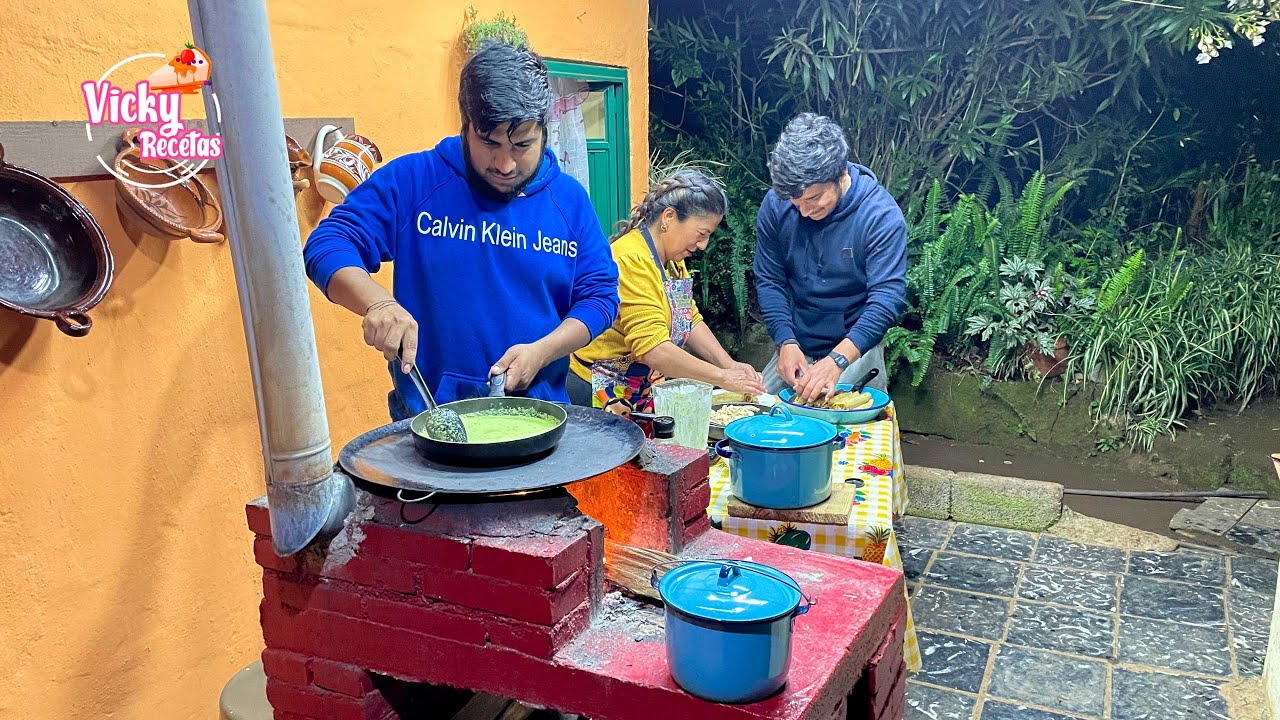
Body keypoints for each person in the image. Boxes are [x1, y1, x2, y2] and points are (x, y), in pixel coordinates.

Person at [302, 40, 619, 420]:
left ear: (544, 132)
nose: (504, 164)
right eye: (489, 143)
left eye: (522, 145)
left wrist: (543, 351)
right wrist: (378, 303)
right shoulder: (416, 181)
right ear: (466, 125)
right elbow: (328, 242)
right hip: (429, 422)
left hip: (540, 419)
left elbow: (600, 297)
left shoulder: (569, 202)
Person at [568, 169, 765, 412]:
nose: (703, 245)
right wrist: (721, 378)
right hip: (599, 392)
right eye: (701, 234)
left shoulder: (672, 260)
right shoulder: (631, 259)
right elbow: (654, 350)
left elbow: (688, 318)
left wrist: (729, 365)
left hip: (639, 389)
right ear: (669, 217)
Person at [753, 113, 907, 404]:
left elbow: (887, 299)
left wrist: (838, 359)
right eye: (795, 203)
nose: (804, 212)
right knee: (755, 412)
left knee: (850, 435)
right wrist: (785, 340)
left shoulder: (881, 216)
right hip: (795, 346)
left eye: (814, 199)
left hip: (855, 347)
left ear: (841, 174)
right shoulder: (776, 205)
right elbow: (770, 280)